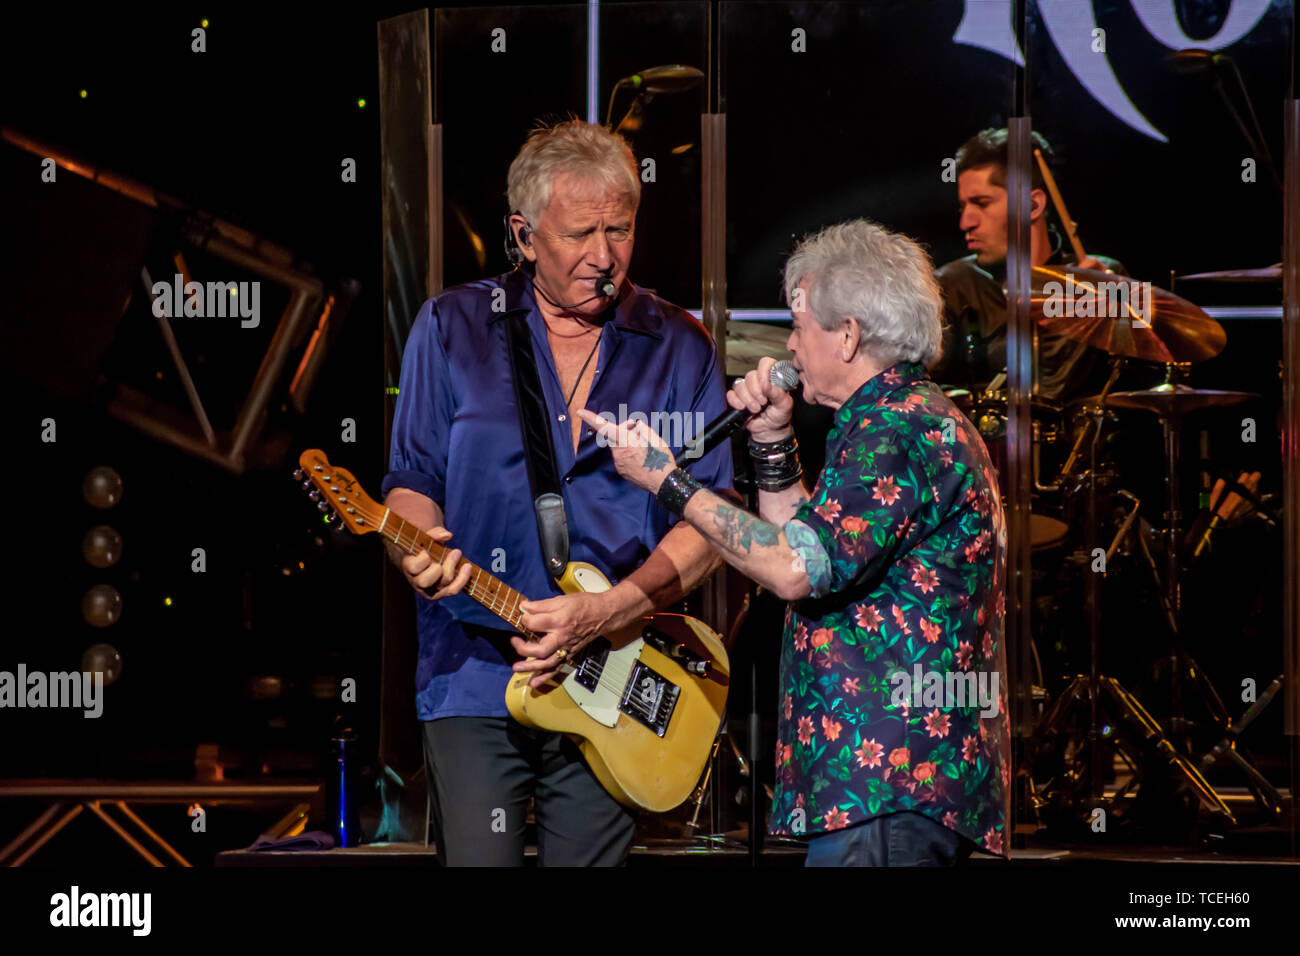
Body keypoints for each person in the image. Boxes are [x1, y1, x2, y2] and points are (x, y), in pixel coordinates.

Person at [582, 219, 1011, 866]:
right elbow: (813, 547)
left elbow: (789, 570)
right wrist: (774, 441)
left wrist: (666, 481)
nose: (789, 345)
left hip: (887, 787)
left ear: (847, 334)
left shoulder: (896, 431)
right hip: (883, 788)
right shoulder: (897, 420)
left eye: (800, 325)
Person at [381, 119, 733, 866]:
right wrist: (412, 547)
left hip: (618, 666)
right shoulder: (451, 326)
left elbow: (714, 518)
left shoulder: (680, 343)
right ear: (523, 234)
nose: (603, 257)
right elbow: (411, 482)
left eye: (620, 230)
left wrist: (611, 608)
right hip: (475, 670)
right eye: (579, 234)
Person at [931, 128, 1127, 403]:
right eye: (963, 206)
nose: (966, 223)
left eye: (981, 204)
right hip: (989, 444)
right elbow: (916, 385)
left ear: (1032, 205)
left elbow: (1161, 347)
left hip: (1081, 443)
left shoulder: (1103, 275)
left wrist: (1111, 306)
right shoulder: (952, 284)